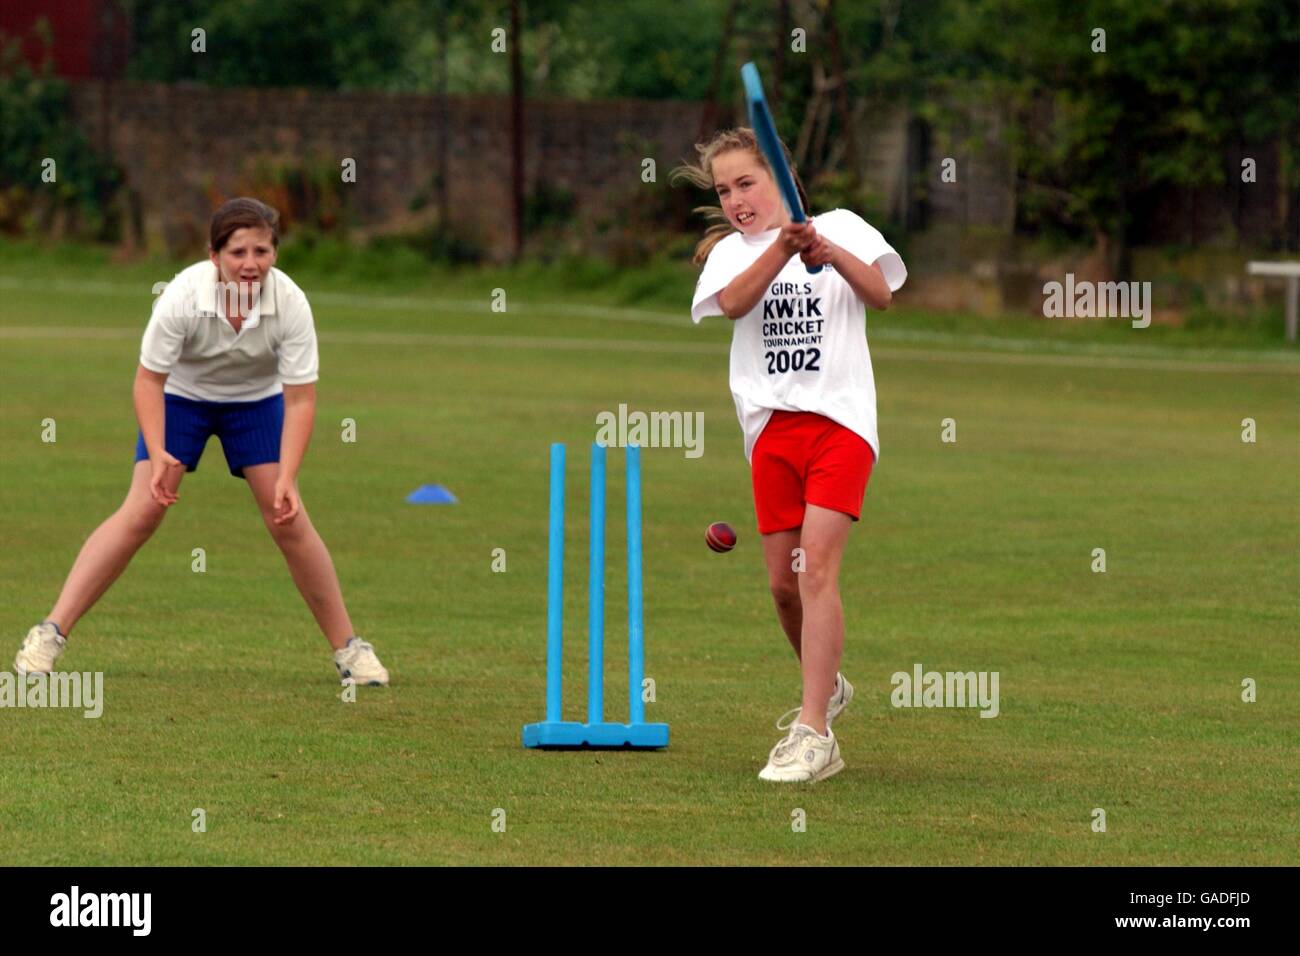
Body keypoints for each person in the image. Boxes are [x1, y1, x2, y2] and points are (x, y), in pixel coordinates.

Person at [14, 198, 390, 687]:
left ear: (275, 253)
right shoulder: (183, 296)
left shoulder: (291, 302)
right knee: (142, 511)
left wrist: (289, 478)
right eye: (237, 252)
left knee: (288, 519)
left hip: (256, 404)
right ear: (215, 256)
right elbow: (148, 381)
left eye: (261, 250)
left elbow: (299, 400)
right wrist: (159, 451)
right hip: (181, 400)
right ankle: (49, 634)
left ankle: (351, 651)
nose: (250, 263)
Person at [674, 129, 907, 782]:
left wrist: (824, 248)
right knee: (783, 586)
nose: (735, 200)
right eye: (724, 190)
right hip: (772, 432)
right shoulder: (730, 255)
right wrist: (782, 246)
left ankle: (814, 732)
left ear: (779, 176)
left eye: (746, 183)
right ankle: (824, 682)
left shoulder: (842, 226)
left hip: (840, 425)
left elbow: (881, 295)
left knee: (817, 570)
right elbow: (735, 303)